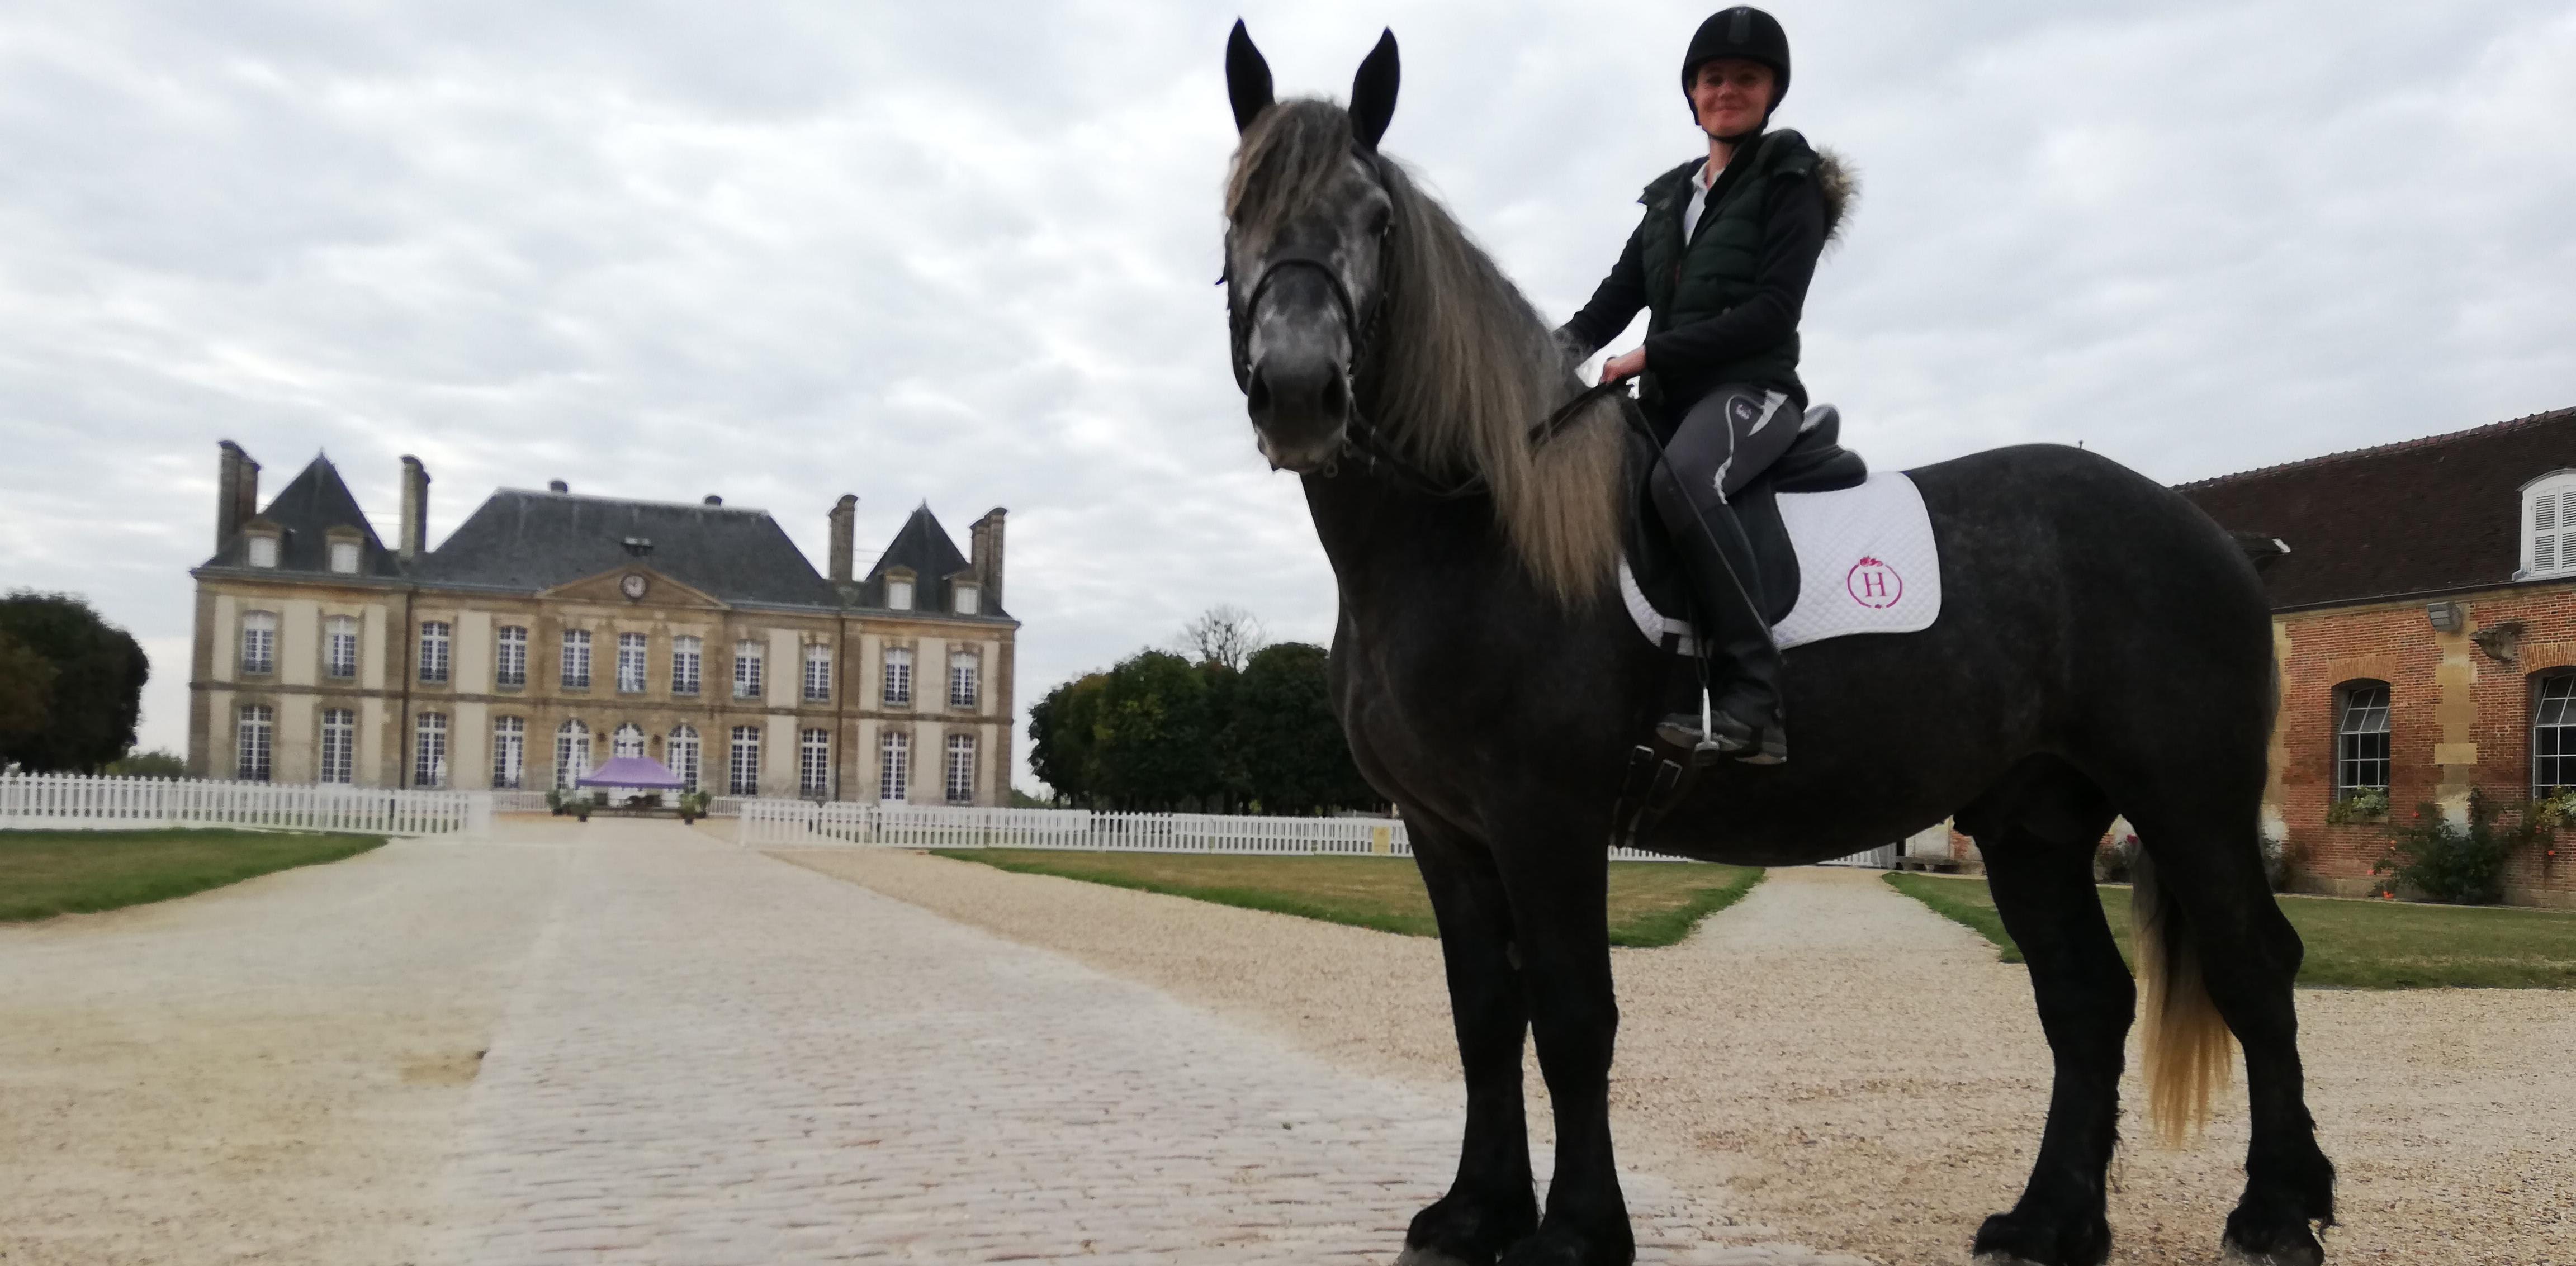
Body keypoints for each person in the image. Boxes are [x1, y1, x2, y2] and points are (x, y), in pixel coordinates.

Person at [1556, 6, 1833, 766]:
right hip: (1671, 402)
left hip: (1756, 392)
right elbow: (1610, 302)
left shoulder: (1791, 180)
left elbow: (1774, 310)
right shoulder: (1668, 200)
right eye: (1714, 78)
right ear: (1693, 93)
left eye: (1746, 78)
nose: (1728, 91)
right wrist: (1541, 359)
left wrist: (1650, 354)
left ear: (1771, 90)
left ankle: (1754, 695)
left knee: (1682, 479)